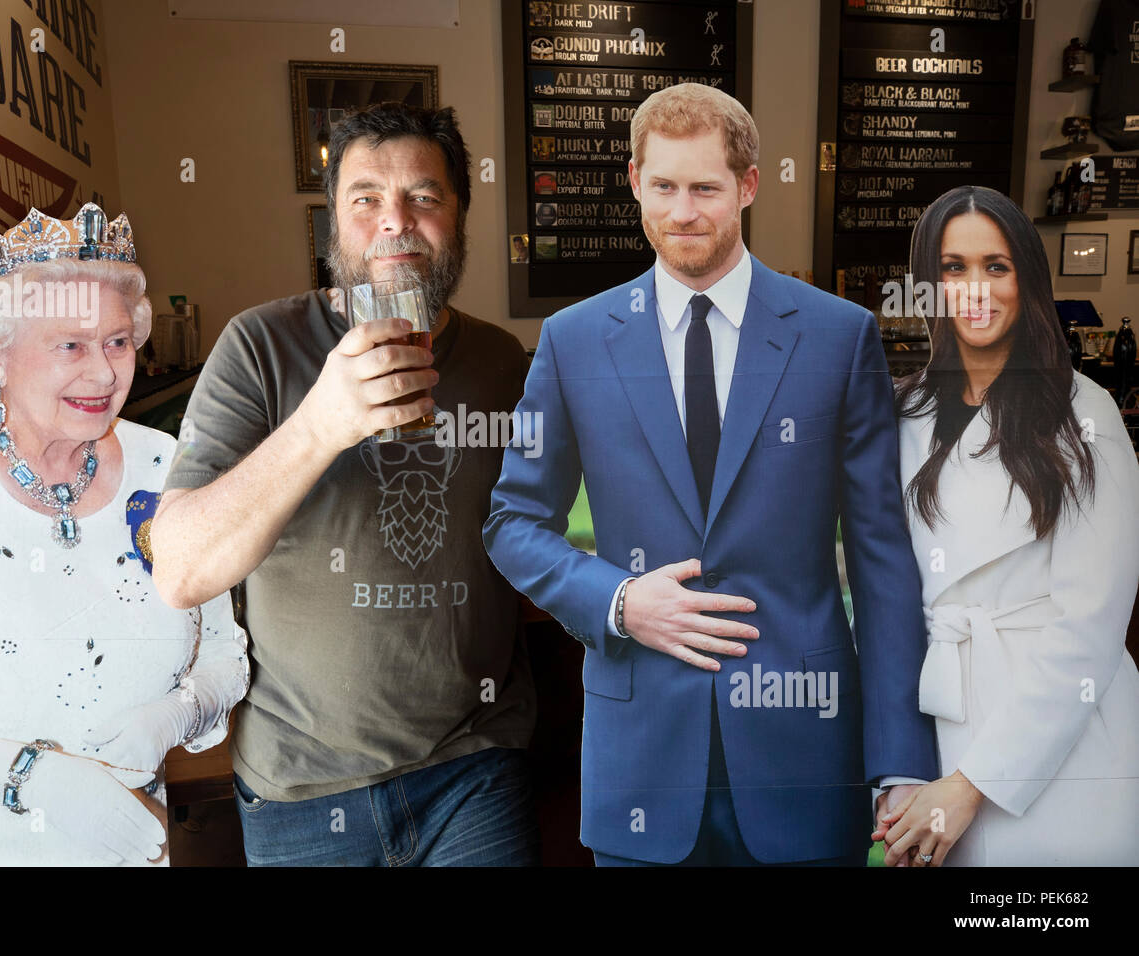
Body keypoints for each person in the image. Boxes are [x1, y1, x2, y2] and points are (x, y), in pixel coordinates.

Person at [484, 83, 938, 866]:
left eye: (705, 188)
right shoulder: (572, 341)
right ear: (634, 182)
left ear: (748, 187)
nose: (683, 211)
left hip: (806, 755)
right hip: (640, 762)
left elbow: (883, 558)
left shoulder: (838, 337)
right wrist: (620, 602)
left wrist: (900, 761)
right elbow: (512, 523)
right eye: (663, 186)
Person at [150, 103, 539, 867]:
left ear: (458, 217)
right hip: (304, 784)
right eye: (366, 199)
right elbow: (180, 567)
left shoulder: (501, 361)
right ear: (335, 224)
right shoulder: (258, 345)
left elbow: (550, 527)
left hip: (476, 763)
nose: (394, 222)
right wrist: (322, 422)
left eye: (424, 197)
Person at [0, 204, 249, 866]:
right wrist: (37, 780)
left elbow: (225, 657)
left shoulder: (166, 466)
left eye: (118, 342)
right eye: (70, 346)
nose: (104, 373)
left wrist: (175, 712)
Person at [877, 186, 1139, 866]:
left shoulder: (1088, 411)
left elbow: (1091, 624)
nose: (975, 289)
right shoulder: (901, 411)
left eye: (996, 266)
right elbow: (886, 601)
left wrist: (972, 784)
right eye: (953, 268)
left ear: (1027, 274)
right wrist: (899, 772)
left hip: (1062, 741)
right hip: (939, 724)